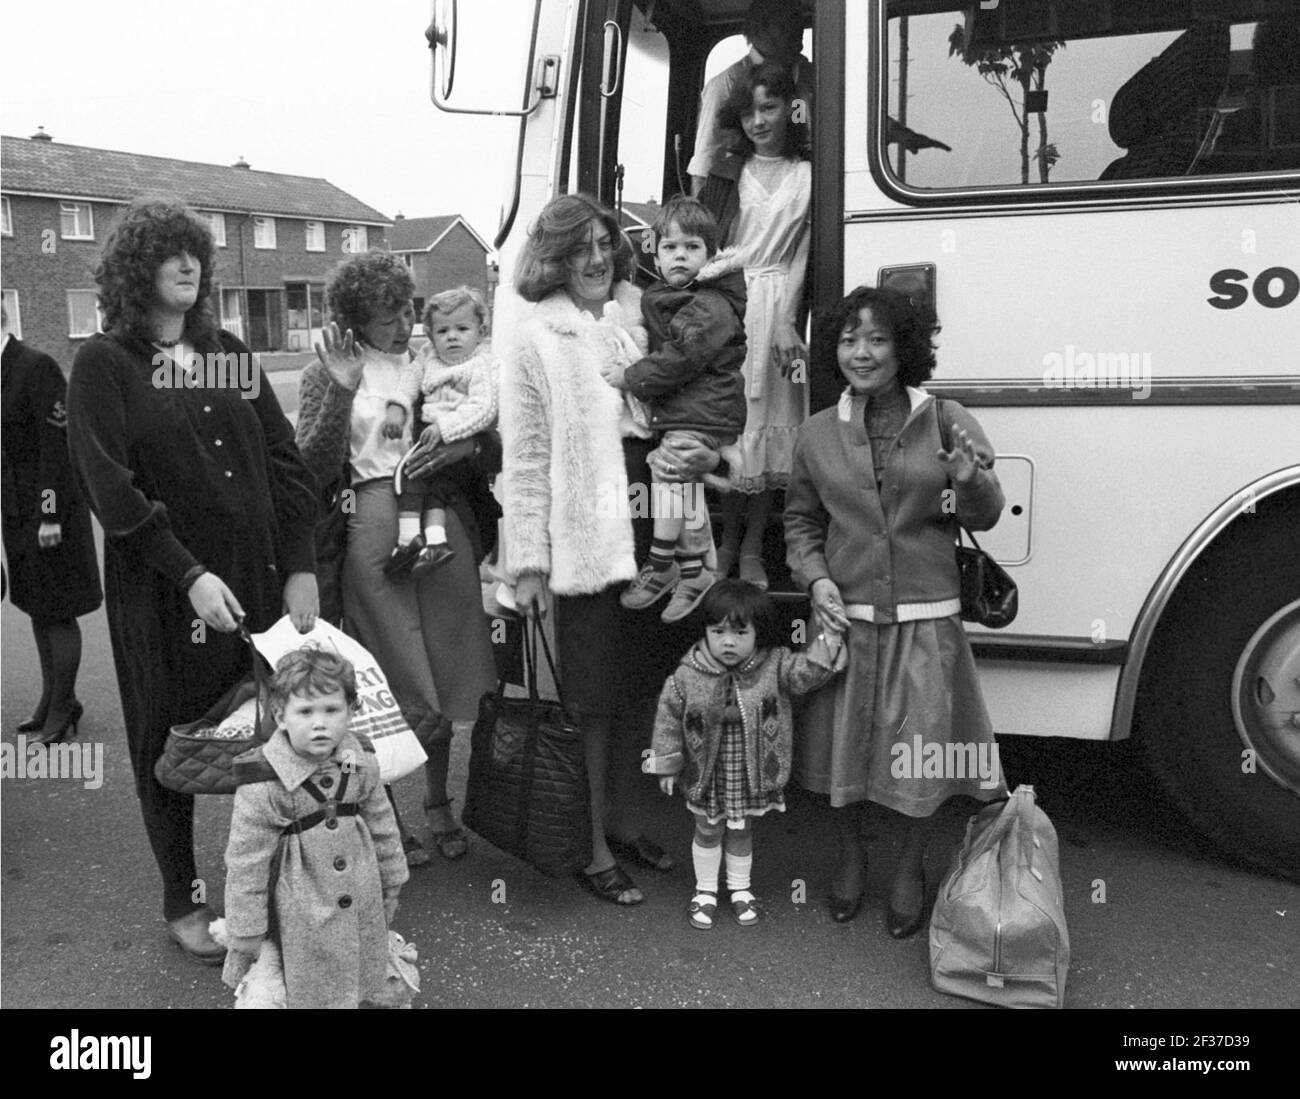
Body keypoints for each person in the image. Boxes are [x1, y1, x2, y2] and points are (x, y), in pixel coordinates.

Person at [65, 199, 319, 964]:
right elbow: (110, 489)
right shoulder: (104, 365)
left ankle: (278, 872)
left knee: (273, 734)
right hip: (166, 594)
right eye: (170, 254)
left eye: (195, 253)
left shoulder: (227, 349)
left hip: (259, 579)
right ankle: (185, 894)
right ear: (134, 271)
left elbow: (284, 459)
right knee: (170, 739)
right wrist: (189, 572)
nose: (189, 264)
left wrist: (302, 561)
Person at [784, 286, 1008, 938]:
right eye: (850, 339)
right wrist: (816, 577)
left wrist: (970, 483)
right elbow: (799, 524)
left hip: (927, 620)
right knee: (842, 755)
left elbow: (987, 514)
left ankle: (911, 865)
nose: (862, 352)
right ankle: (852, 857)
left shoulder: (947, 419)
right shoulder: (814, 434)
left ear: (902, 347)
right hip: (845, 621)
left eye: (877, 339)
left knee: (922, 755)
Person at [501, 192, 680, 906]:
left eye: (605, 244)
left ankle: (624, 818)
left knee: (642, 689)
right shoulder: (534, 335)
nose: (598, 259)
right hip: (586, 540)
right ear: (554, 258)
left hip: (657, 527)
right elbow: (527, 455)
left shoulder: (644, 311)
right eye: (581, 250)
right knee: (592, 701)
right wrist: (530, 561)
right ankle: (592, 844)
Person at [296, 251, 497, 864]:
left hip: (440, 521)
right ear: (356, 317)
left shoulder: (435, 358)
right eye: (387, 314)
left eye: (407, 308)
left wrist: (466, 450)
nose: (404, 321)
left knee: (446, 671)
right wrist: (339, 388)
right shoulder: (326, 369)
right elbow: (310, 467)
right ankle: (385, 819)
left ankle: (438, 803)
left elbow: (490, 435)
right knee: (388, 679)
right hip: (369, 521)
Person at [643, 579, 844, 928]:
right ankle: (705, 892)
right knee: (706, 829)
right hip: (707, 774)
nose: (728, 641)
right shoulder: (687, 674)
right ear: (704, 631)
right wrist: (666, 764)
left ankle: (740, 889)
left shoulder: (776, 665)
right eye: (718, 631)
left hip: (751, 772)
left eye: (740, 632)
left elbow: (807, 674)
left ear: (759, 632)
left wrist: (830, 638)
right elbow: (668, 719)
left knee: (741, 830)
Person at [223, 647, 408, 1008]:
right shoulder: (264, 782)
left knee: (359, 966)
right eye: (305, 712)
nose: (319, 723)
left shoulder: (361, 763)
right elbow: (246, 858)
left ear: (352, 711)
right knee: (305, 981)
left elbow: (382, 822)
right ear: (280, 715)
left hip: (360, 890)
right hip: (298, 905)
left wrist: (393, 878)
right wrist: (246, 925)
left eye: (332, 710)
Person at [606, 196, 747, 623]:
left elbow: (685, 355)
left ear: (710, 254)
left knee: (669, 470)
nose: (679, 255)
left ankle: (662, 561)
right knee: (680, 483)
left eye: (692, 247)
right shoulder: (676, 296)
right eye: (669, 248)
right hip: (692, 408)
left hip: (705, 408)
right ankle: (694, 571)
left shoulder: (710, 303)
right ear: (657, 254)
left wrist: (631, 377)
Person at [700, 61, 812, 591]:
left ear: (790, 109)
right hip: (731, 300)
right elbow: (707, 246)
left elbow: (802, 256)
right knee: (732, 425)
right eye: (748, 112)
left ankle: (750, 549)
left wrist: (788, 319)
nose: (759, 121)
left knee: (772, 425)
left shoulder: (811, 173)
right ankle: (721, 545)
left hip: (778, 304)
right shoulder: (729, 173)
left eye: (769, 108)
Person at [2, 303, 103, 743]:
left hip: (50, 515)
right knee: (36, 607)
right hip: (17, 513)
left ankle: (65, 708)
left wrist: (48, 513)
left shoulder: (35, 367)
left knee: (57, 609)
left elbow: (56, 446)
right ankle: (50, 699)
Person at [384, 286, 498, 577]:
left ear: (481, 330)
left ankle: (410, 539)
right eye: (443, 331)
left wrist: (450, 433)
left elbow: (486, 411)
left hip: (461, 449)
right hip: (428, 445)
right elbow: (410, 379)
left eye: (462, 328)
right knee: (431, 487)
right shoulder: (428, 357)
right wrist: (397, 406)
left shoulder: (483, 363)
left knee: (412, 475)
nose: (452, 337)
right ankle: (433, 542)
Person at [688, 0, 812, 193]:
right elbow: (706, 161)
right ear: (760, 30)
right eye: (789, 23)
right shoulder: (725, 85)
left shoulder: (808, 76)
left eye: (800, 21)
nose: (800, 30)